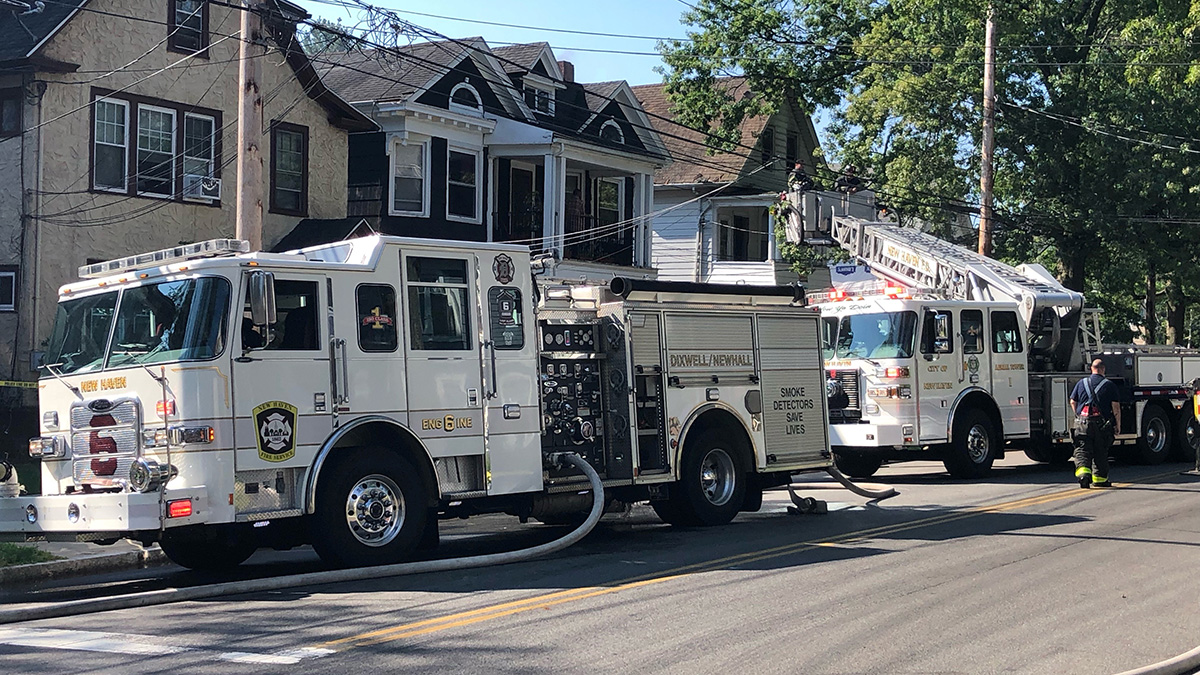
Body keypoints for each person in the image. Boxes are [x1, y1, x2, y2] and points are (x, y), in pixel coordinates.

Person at [1069, 358, 1121, 488]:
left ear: (1091, 368)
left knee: (1082, 450)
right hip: (1100, 424)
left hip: (1082, 423)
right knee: (1100, 451)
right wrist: (1117, 425)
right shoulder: (1109, 385)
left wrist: (1078, 415)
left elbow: (1072, 401)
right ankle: (1100, 479)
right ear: (1103, 369)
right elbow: (1116, 408)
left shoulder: (1081, 383)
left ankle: (1083, 475)